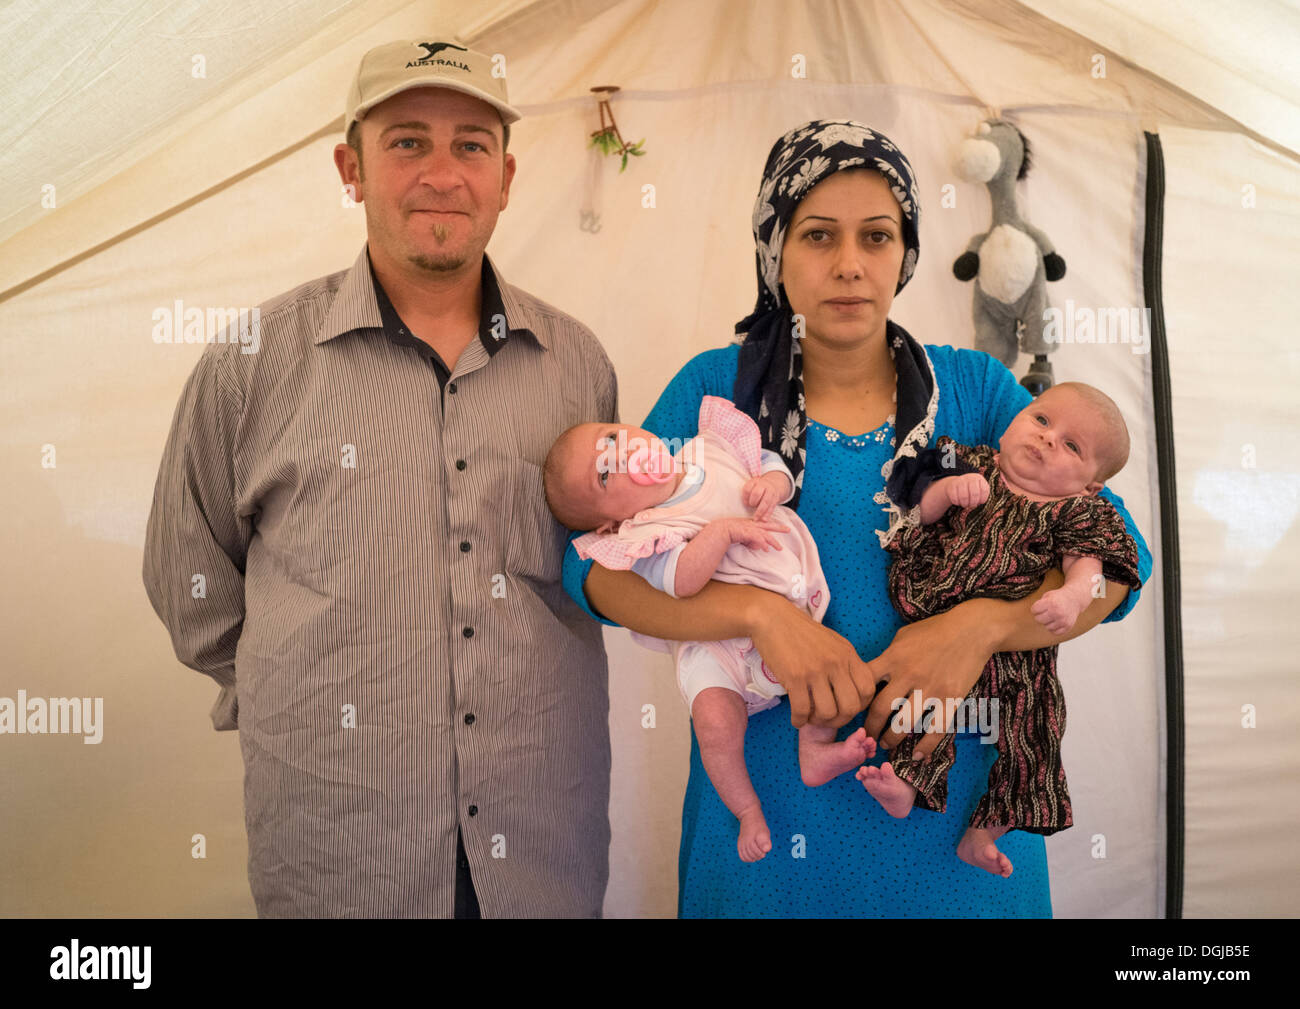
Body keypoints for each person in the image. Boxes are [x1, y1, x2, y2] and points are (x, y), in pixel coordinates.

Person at [560, 120, 1152, 917]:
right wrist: (760, 614)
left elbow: (1121, 558)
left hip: (956, 838)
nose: (848, 264)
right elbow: (594, 567)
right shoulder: (716, 391)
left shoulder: (973, 389)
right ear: (775, 248)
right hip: (769, 836)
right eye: (817, 235)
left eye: (876, 236)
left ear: (904, 251)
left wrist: (976, 626)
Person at [142, 39, 617, 918]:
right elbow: (191, 583)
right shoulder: (252, 365)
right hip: (341, 855)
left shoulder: (577, 365)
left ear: (506, 178)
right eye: (406, 141)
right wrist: (307, 702)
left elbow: (609, 569)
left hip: (541, 849)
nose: (442, 173)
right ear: (349, 167)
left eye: (471, 144)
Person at [542, 398, 870, 862]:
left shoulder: (707, 450)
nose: (621, 457)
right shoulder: (645, 532)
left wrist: (771, 485)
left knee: (816, 675)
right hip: (717, 647)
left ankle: (814, 751)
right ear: (609, 523)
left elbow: (771, 463)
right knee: (714, 722)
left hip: (788, 598)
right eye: (604, 476)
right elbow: (682, 582)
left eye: (611, 439)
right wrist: (721, 533)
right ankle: (747, 809)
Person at [858, 382, 1143, 878]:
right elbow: (917, 516)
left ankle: (988, 831)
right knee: (926, 703)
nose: (1049, 439)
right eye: (1042, 420)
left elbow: (1091, 570)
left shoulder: (1076, 512)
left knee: (1035, 731)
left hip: (1018, 656)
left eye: (1073, 447)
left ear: (1091, 486)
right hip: (933, 619)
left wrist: (1072, 597)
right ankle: (908, 783)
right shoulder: (972, 466)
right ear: (1017, 418)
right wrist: (945, 492)